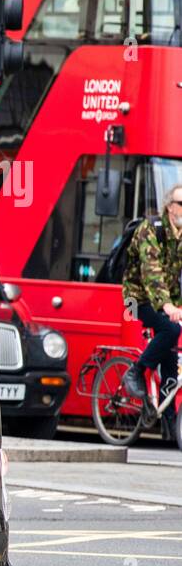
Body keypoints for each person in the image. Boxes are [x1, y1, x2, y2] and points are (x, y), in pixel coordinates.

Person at [121, 184, 182, 438]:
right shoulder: (151, 229)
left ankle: (170, 426)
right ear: (171, 207)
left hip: (166, 300)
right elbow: (151, 272)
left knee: (170, 359)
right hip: (137, 298)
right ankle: (135, 372)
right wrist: (167, 306)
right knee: (171, 328)